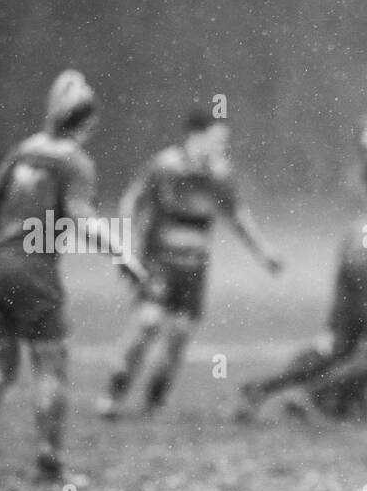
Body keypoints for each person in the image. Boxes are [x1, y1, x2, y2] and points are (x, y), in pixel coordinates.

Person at [0, 71, 143, 485]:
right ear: (87, 122)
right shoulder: (74, 161)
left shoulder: (25, 151)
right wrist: (122, 253)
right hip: (34, 272)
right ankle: (48, 462)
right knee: (50, 365)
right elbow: (81, 216)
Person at [96, 108, 284, 418]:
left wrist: (263, 252)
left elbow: (237, 215)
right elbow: (131, 200)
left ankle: (153, 402)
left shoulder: (220, 173)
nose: (222, 146)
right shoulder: (165, 166)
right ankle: (113, 394)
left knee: (179, 335)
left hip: (194, 268)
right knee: (149, 323)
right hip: (159, 263)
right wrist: (125, 245)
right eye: (216, 139)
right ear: (195, 136)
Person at [236, 149, 367, 420]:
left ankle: (263, 387)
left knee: (335, 348)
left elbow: (344, 285)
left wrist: (336, 327)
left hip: (353, 303)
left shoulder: (356, 231)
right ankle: (314, 395)